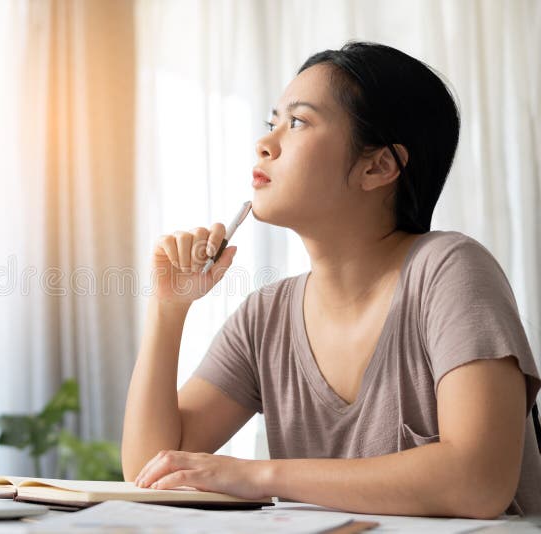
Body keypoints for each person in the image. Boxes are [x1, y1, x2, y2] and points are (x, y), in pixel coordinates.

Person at [121, 41, 541, 519]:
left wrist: (259, 475)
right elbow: (149, 470)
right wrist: (168, 309)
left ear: (378, 166)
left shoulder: (450, 271)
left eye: (298, 122)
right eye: (272, 123)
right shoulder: (265, 317)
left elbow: (479, 481)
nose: (265, 144)